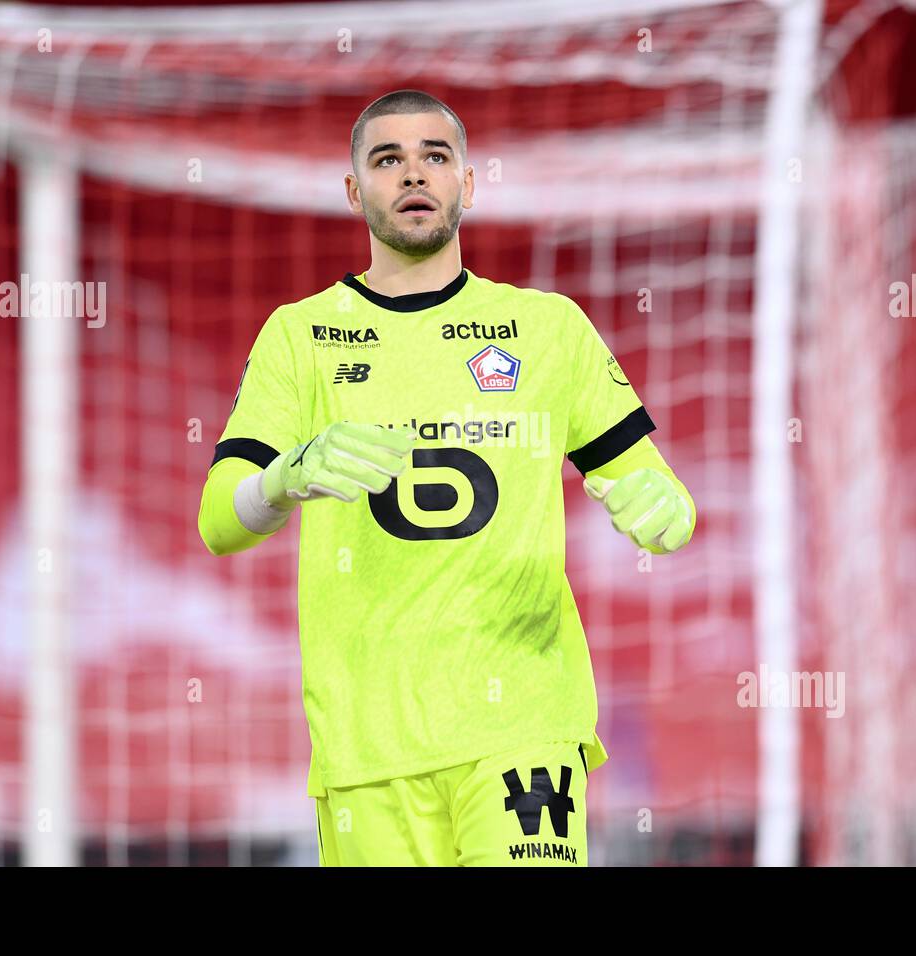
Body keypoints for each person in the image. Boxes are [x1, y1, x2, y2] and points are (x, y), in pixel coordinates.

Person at [198, 89, 696, 866]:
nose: (414, 174)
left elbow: (658, 496)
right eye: (387, 159)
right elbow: (218, 523)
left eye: (436, 156)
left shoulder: (547, 329)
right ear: (354, 190)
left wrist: (665, 513)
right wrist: (284, 479)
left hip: (523, 726)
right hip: (368, 746)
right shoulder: (300, 337)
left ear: (469, 181)